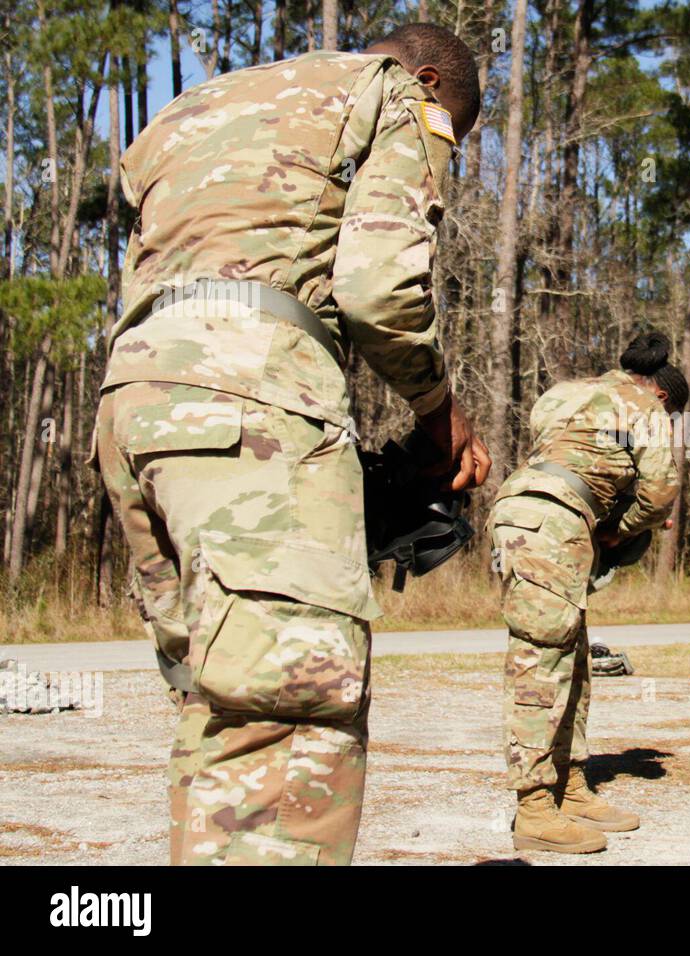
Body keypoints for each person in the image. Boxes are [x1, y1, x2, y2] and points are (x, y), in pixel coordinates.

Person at [93, 23, 491, 866]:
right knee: (292, 711)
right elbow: (377, 288)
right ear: (424, 79)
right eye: (452, 128)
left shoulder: (195, 104)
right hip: (253, 401)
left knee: (224, 703)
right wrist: (436, 409)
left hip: (133, 404)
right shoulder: (392, 95)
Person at [489, 331, 687, 854]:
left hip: (532, 511)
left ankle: (570, 785)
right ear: (663, 395)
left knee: (571, 654)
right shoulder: (646, 406)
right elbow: (661, 490)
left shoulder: (560, 394)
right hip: (554, 520)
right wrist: (623, 528)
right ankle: (533, 807)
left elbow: (564, 453)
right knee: (541, 658)